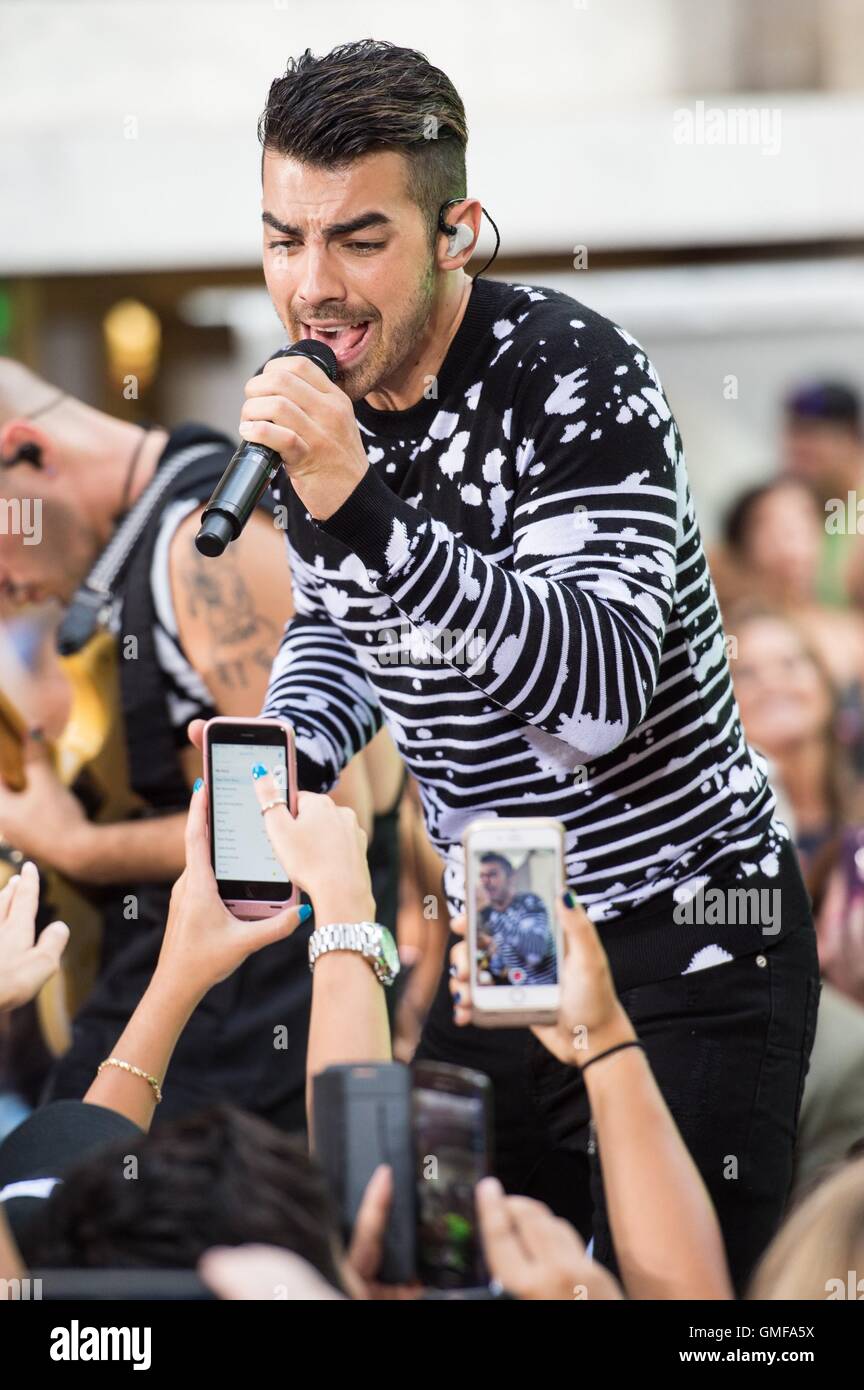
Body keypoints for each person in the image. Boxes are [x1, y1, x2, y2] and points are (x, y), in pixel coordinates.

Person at [185, 38, 817, 1288]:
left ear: (456, 229)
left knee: (675, 1300)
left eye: (358, 238)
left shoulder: (577, 380)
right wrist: (294, 749)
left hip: (683, 925)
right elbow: (340, 624)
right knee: (442, 1267)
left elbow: (594, 697)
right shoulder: (324, 401)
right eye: (283, 239)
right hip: (510, 923)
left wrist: (361, 501)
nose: (312, 285)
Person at [0, 360, 401, 1129]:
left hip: (238, 1050)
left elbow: (321, 813)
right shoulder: (167, 528)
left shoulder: (203, 546)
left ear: (31, 453)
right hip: (215, 1025)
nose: (5, 584)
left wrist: (75, 846)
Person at [781, 379, 864, 609]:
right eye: (794, 434)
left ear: (851, 439)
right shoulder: (794, 502)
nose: (798, 448)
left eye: (813, 436)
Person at [476, 852, 555, 986]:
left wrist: (486, 911)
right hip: (514, 995)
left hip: (545, 993)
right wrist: (487, 952)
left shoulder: (528, 903)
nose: (485, 882)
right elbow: (501, 967)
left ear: (511, 877)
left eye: (492, 875)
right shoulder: (497, 915)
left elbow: (535, 953)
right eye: (482, 876)